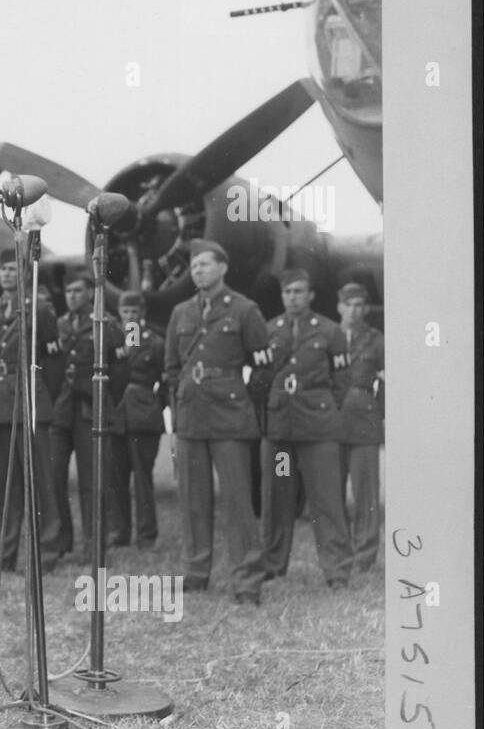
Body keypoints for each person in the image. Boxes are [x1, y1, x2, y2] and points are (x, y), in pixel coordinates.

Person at [163, 240, 273, 605]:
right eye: (194, 266)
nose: (198, 271)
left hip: (229, 415)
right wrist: (178, 408)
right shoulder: (181, 312)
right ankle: (196, 571)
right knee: (192, 498)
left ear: (223, 268)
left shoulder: (244, 310)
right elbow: (171, 369)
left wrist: (239, 398)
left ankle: (247, 579)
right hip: (191, 414)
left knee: (238, 500)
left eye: (206, 264)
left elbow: (263, 366)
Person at [260, 269, 354, 587]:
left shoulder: (329, 331)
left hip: (318, 430)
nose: (293, 297)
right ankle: (273, 565)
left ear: (311, 295)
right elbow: (261, 377)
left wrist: (324, 406)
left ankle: (337, 569)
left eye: (299, 291)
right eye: (288, 292)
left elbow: (342, 380)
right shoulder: (271, 330)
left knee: (326, 499)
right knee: (278, 496)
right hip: (281, 432)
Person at [0, 248, 59, 573]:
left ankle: (46, 552)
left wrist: (39, 393)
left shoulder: (39, 310)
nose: (8, 275)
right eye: (4, 270)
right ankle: (5, 551)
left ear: (25, 272)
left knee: (40, 479)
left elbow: (53, 359)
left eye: (13, 269)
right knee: (1, 482)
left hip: (30, 397)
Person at [44, 270, 128, 556]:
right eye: (68, 292)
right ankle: (60, 541)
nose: (72, 296)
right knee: (54, 477)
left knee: (92, 481)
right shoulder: (58, 325)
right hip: (60, 412)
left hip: (90, 411)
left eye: (78, 291)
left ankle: (95, 544)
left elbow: (121, 371)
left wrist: (101, 398)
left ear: (91, 293)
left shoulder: (107, 324)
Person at [335, 282, 383, 573]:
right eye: (348, 304)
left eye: (359, 305)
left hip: (364, 421)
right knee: (332, 491)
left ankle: (364, 556)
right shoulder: (328, 335)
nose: (353, 310)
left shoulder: (376, 340)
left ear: (365, 309)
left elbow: (389, 381)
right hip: (331, 422)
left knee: (366, 492)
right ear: (339, 306)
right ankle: (340, 550)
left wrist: (381, 411)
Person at [115, 291, 167, 549]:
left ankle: (146, 535)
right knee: (116, 477)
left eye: (135, 312)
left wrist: (154, 406)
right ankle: (120, 532)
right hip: (116, 416)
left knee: (142, 478)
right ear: (119, 314)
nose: (130, 316)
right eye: (125, 312)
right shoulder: (110, 340)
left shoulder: (155, 343)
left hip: (144, 418)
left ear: (143, 314)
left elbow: (166, 381)